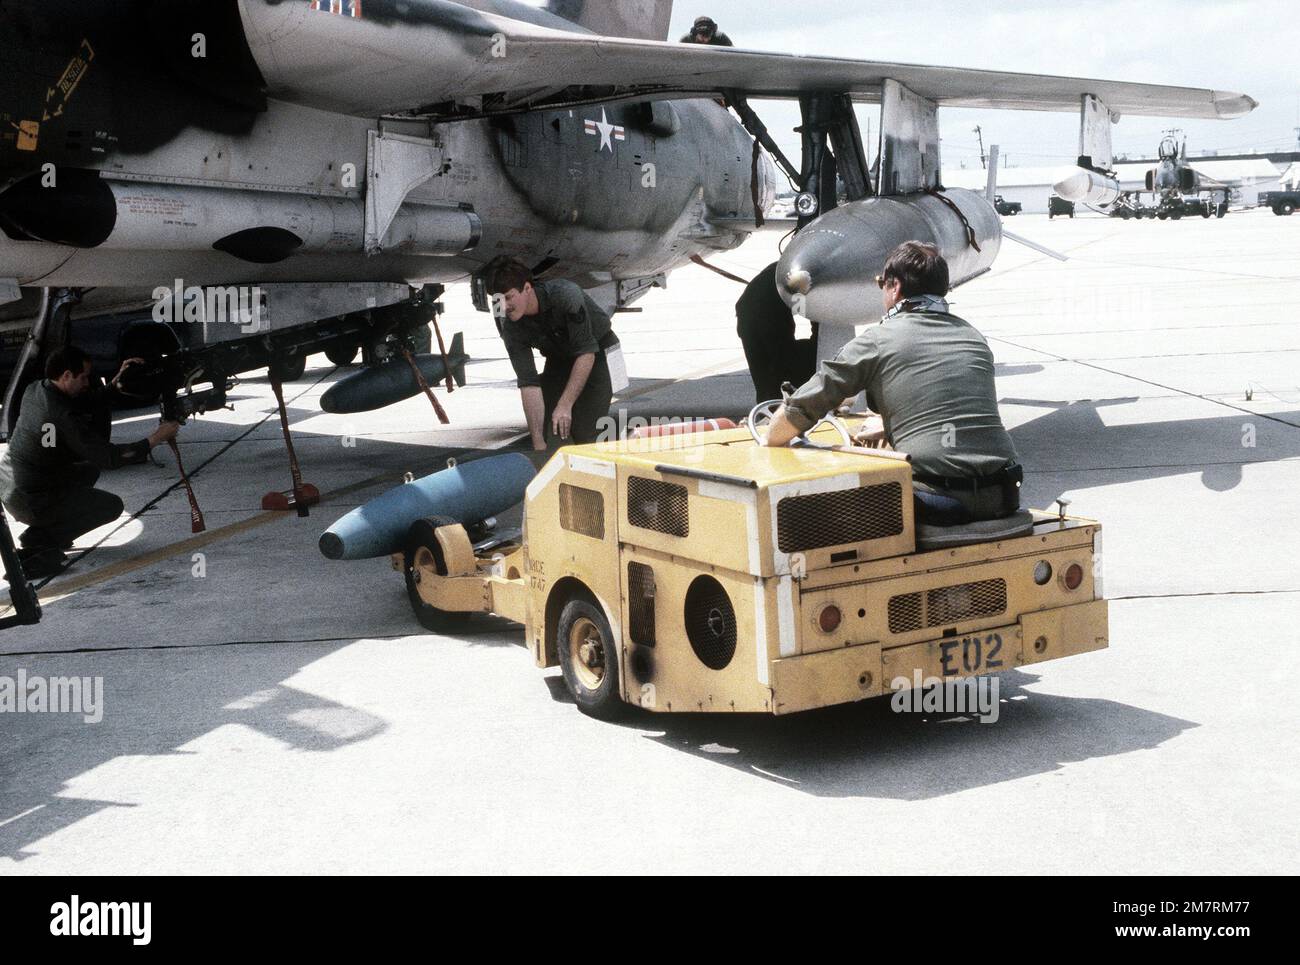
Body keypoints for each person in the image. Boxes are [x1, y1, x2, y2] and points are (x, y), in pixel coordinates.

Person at [763, 241, 1022, 526]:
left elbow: (798, 413)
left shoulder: (876, 341)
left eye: (881, 284)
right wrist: (890, 426)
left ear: (895, 287)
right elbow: (946, 403)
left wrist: (770, 438)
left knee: (813, 506)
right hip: (1004, 494)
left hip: (941, 499)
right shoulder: (972, 336)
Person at [0, 346, 180, 576]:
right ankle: (42, 536)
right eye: (83, 377)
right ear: (66, 375)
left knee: (88, 472)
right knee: (111, 506)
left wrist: (114, 384)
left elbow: (87, 401)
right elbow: (110, 457)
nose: (87, 382)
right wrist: (156, 438)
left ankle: (44, 527)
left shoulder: (37, 389)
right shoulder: (62, 416)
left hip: (11, 485)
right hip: (29, 498)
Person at [485, 259, 622, 450]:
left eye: (508, 297)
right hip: (559, 358)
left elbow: (586, 353)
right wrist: (538, 442)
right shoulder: (509, 325)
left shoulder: (565, 295)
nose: (503, 306)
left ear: (527, 288)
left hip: (597, 352)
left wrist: (565, 405)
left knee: (586, 432)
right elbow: (528, 383)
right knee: (552, 430)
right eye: (497, 300)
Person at [736, 262, 819, 405]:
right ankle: (777, 411)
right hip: (760, 313)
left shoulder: (797, 266)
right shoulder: (815, 274)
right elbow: (821, 318)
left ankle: (769, 410)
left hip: (752, 311)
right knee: (778, 374)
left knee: (768, 379)